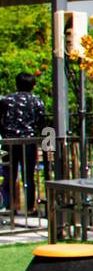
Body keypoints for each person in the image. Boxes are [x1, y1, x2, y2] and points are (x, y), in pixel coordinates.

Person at [0, 73, 46, 212]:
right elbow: (41, 122)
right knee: (29, 175)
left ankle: (8, 206)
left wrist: (4, 132)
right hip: (29, 141)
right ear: (32, 85)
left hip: (10, 141)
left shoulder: (6, 100)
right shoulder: (36, 101)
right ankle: (30, 207)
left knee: (9, 174)